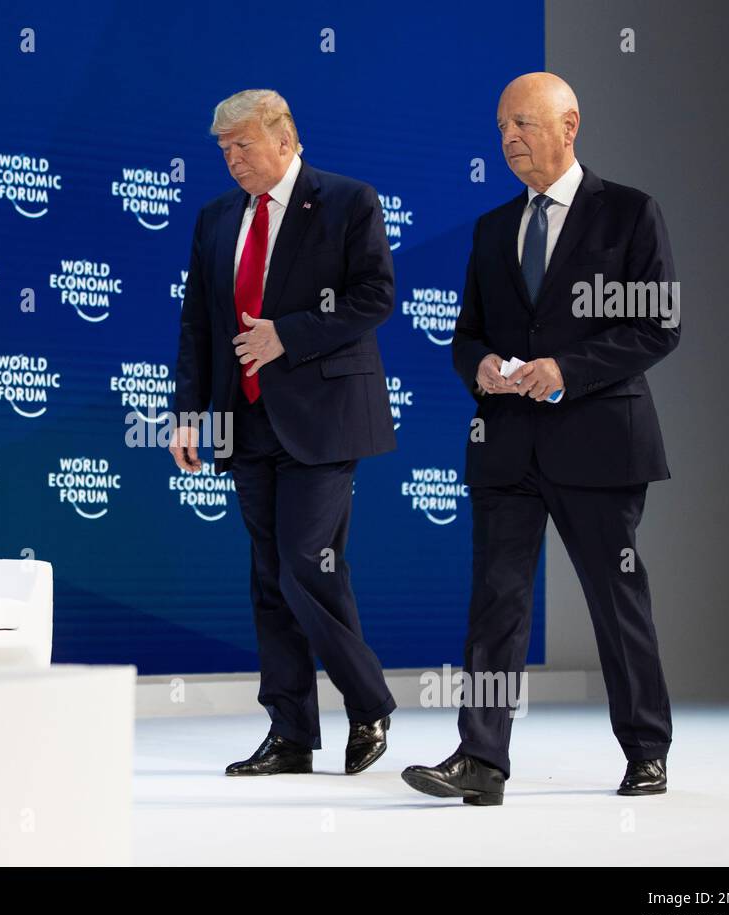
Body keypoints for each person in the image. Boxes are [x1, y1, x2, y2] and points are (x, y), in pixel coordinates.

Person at [402, 72, 680, 805]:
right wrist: (482, 365)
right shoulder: (494, 227)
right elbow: (466, 336)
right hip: (506, 447)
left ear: (570, 125)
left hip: (599, 443)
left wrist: (568, 370)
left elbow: (658, 326)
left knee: (615, 604)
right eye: (501, 128)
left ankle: (647, 749)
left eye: (523, 124)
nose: (509, 140)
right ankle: (481, 759)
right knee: (495, 606)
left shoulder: (628, 214)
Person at [171, 89, 397, 775]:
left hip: (322, 420)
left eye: (243, 144)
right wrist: (187, 411)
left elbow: (375, 296)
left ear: (286, 138)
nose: (232, 159)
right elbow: (198, 324)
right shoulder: (215, 219)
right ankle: (291, 734)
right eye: (224, 149)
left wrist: (286, 337)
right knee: (270, 578)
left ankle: (369, 705)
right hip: (244, 422)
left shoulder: (348, 200)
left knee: (307, 563)